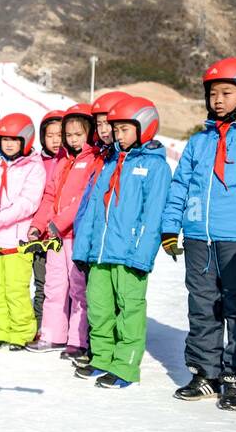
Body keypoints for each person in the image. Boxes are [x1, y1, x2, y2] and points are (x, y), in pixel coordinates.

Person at [159, 58, 236, 408]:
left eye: (227, 93)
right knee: (202, 306)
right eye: (213, 93)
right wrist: (172, 225)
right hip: (199, 237)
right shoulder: (200, 142)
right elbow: (181, 185)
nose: (218, 100)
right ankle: (206, 373)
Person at [73, 95, 171, 387]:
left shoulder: (156, 167)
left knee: (129, 309)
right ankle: (102, 356)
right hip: (100, 253)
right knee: (99, 306)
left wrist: (142, 255)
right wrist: (83, 249)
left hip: (128, 253)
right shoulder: (108, 163)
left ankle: (126, 365)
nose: (118, 135)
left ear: (145, 127)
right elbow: (92, 210)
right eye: (116, 130)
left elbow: (153, 215)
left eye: (125, 129)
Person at [27, 104, 102, 359]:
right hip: (55, 236)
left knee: (78, 288)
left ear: (89, 133)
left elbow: (83, 198)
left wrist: (58, 223)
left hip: (76, 235)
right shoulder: (62, 160)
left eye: (78, 134)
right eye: (68, 135)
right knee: (54, 285)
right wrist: (38, 225)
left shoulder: (93, 160)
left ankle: (78, 340)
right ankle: (52, 334)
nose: (72, 140)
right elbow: (50, 196)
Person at [0, 113, 45, 349]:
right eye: (4, 140)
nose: (9, 144)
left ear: (25, 140)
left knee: (15, 289)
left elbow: (28, 202)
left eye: (14, 140)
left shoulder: (34, 167)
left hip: (16, 239)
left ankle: (21, 333)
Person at [32, 109, 65, 327]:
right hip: (39, 233)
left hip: (63, 232)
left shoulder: (69, 162)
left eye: (60, 135)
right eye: (50, 135)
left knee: (63, 284)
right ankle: (40, 323)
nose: (55, 140)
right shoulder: (35, 162)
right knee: (41, 282)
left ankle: (63, 326)